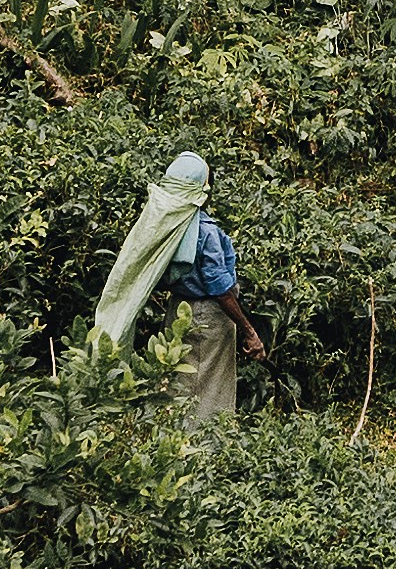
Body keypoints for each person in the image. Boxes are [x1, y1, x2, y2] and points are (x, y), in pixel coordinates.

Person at [90, 151, 267, 423]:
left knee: (181, 379)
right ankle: (204, 449)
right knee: (207, 386)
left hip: (178, 313)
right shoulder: (206, 232)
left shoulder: (166, 226)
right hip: (209, 318)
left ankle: (175, 440)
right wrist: (249, 331)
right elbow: (221, 290)